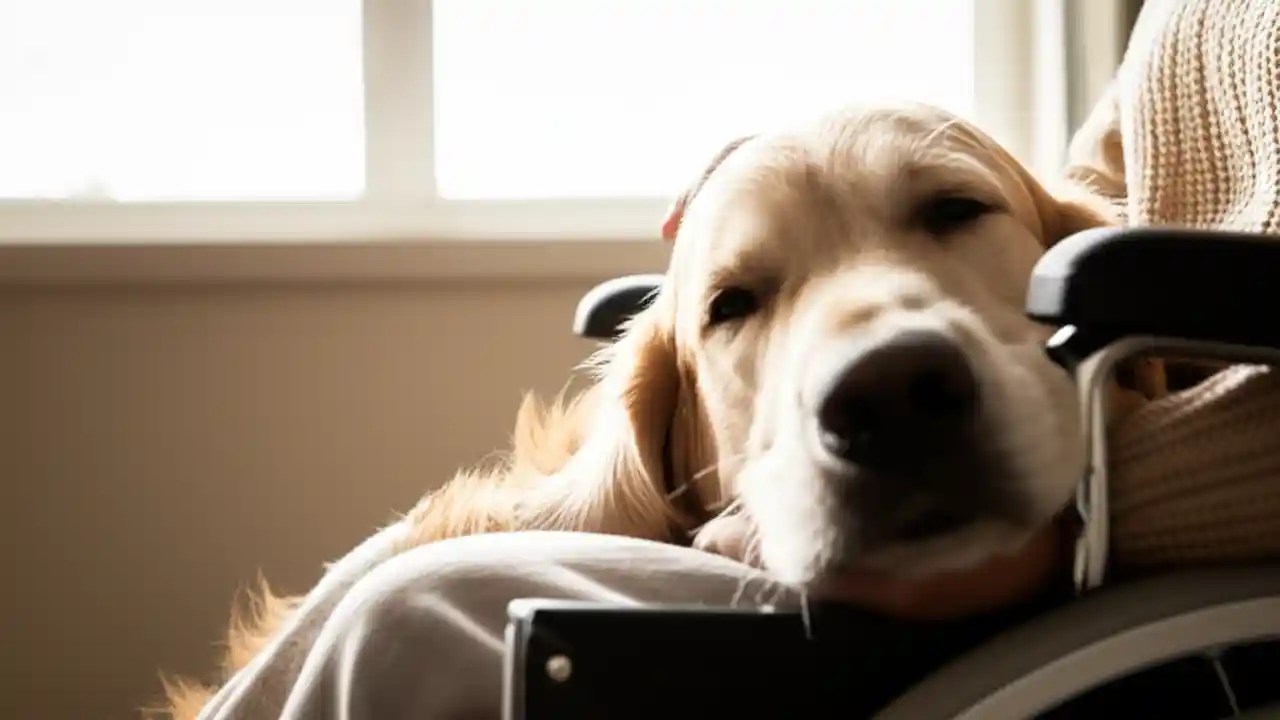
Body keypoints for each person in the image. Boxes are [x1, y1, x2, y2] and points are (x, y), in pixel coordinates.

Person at [191, 0, 1280, 716]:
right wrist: (769, 189)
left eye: (951, 210)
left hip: (1105, 583)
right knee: (389, 581)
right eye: (740, 304)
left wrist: (1093, 502)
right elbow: (1123, 198)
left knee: (411, 624)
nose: (875, 364)